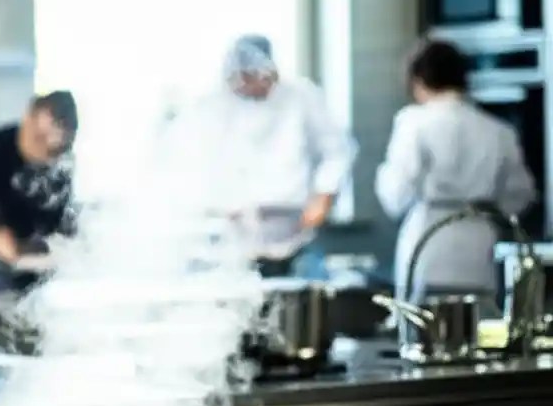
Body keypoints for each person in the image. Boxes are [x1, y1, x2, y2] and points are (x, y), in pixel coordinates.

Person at [376, 39, 536, 305]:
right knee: (477, 331)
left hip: (427, 241)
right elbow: (520, 196)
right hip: (478, 246)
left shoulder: (414, 122)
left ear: (417, 80)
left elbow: (395, 194)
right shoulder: (498, 130)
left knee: (422, 332)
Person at [183, 34, 356, 277]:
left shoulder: (302, 96)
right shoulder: (220, 106)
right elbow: (204, 163)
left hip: (295, 232)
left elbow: (338, 150)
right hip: (238, 239)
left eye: (250, 76)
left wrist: (324, 196)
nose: (243, 84)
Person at [0, 90, 78, 295]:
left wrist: (57, 253)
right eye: (39, 138)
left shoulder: (61, 168)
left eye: (54, 149)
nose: (44, 151)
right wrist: (16, 254)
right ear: (28, 117)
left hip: (34, 279)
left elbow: (60, 225)